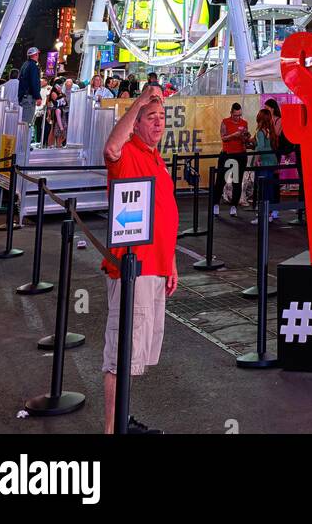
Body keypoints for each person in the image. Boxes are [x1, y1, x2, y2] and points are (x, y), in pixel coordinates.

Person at [101, 88, 178, 434]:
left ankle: (123, 419)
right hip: (134, 269)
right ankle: (111, 428)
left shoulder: (156, 159)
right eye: (151, 117)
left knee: (136, 354)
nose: (159, 122)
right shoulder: (128, 153)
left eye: (161, 117)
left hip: (155, 268)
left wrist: (171, 262)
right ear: (136, 123)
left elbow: (164, 214)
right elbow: (110, 147)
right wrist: (138, 102)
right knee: (121, 355)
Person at [213, 103, 249, 217]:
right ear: (231, 113)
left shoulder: (244, 123)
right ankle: (216, 204)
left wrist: (245, 136)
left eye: (239, 115)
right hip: (228, 155)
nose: (237, 117)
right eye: (235, 115)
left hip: (240, 155)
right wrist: (234, 135)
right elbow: (223, 137)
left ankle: (234, 206)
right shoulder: (225, 122)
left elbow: (245, 140)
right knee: (221, 181)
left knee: (237, 182)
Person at [249, 107, 280, 223]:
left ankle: (262, 215)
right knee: (269, 188)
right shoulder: (270, 130)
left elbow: (261, 147)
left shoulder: (260, 132)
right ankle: (269, 214)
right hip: (272, 161)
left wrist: (256, 160)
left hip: (263, 162)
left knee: (262, 190)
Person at [17, 48, 42, 127]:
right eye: (38, 54)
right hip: (29, 98)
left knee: (23, 123)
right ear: (35, 55)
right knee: (26, 124)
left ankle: (22, 139)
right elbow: (34, 82)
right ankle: (23, 140)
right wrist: (37, 96)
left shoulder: (25, 64)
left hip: (23, 97)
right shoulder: (33, 66)